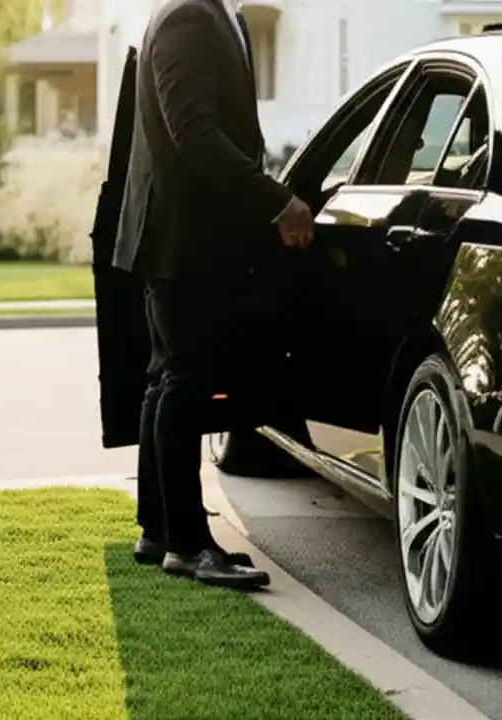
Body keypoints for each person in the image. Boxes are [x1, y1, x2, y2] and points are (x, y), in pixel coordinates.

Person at [113, 0, 315, 591]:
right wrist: (275, 199)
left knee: (166, 377)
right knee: (186, 380)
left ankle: (158, 528)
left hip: (178, 237)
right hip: (186, 238)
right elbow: (194, 133)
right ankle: (188, 544)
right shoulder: (187, 17)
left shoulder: (207, 13)